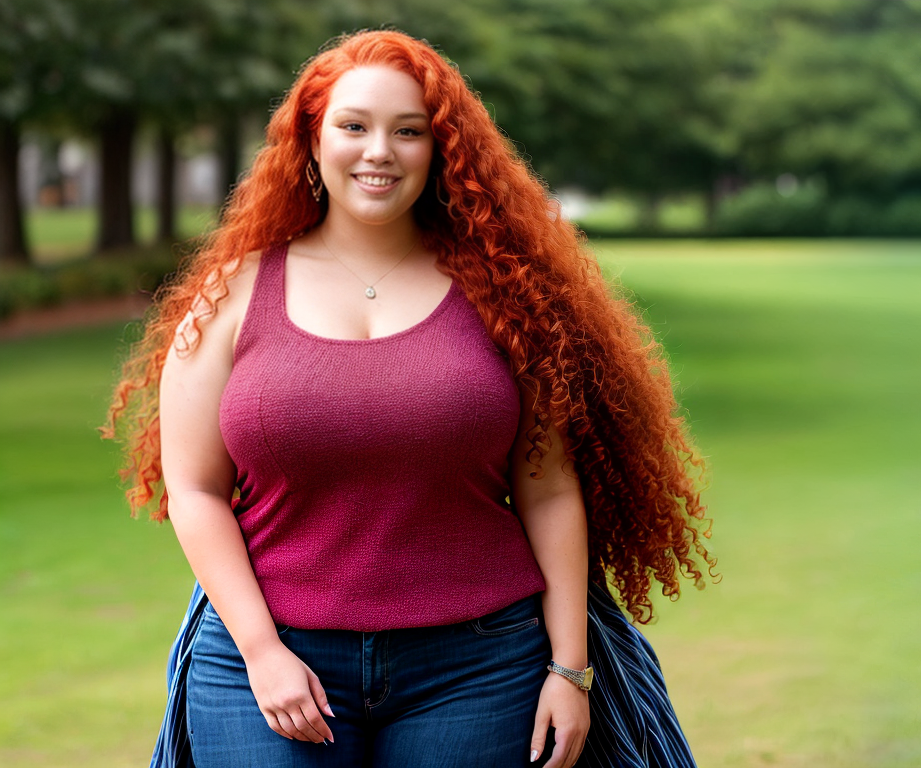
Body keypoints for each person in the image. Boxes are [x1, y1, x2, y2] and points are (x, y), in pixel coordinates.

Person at [105, 29, 714, 768]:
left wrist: (569, 668)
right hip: (262, 663)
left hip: (481, 669)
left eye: (409, 132)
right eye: (353, 126)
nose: (379, 152)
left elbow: (549, 492)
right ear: (310, 140)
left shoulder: (508, 301)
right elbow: (196, 489)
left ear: (442, 149)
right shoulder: (230, 293)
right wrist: (262, 652)